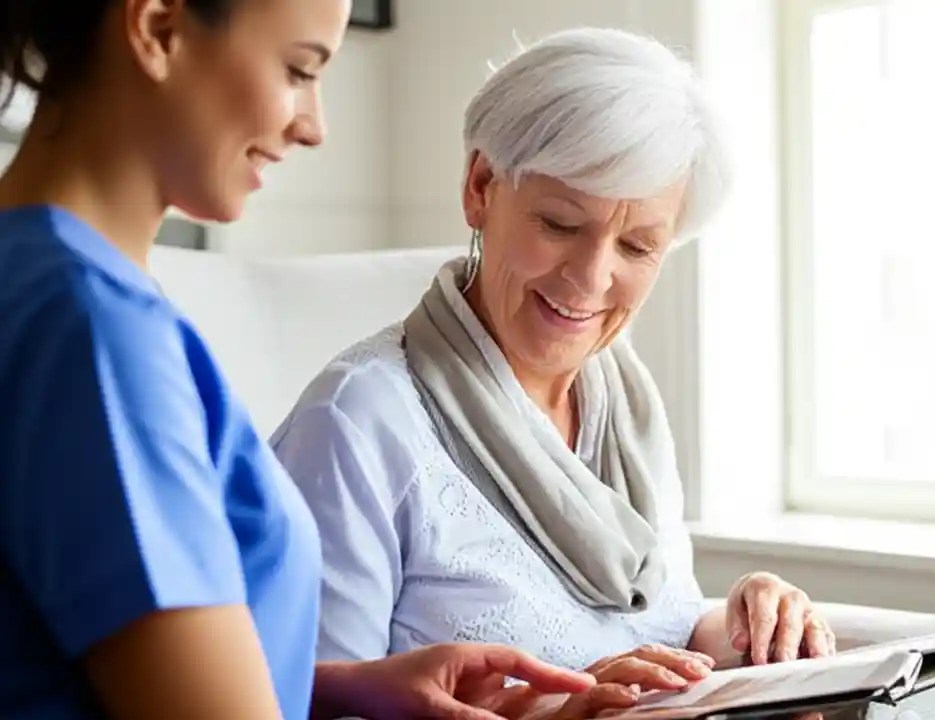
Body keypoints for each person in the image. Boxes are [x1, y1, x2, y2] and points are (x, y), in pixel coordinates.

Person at [0, 1, 610, 718]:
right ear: (159, 29)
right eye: (298, 70)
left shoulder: (36, 280)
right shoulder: (94, 332)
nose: (314, 125)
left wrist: (348, 689)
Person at [271, 27, 837, 706]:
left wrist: (744, 625)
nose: (591, 280)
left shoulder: (625, 405)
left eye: (636, 246)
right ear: (481, 187)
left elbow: (659, 628)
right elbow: (300, 701)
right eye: (561, 226)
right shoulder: (358, 423)